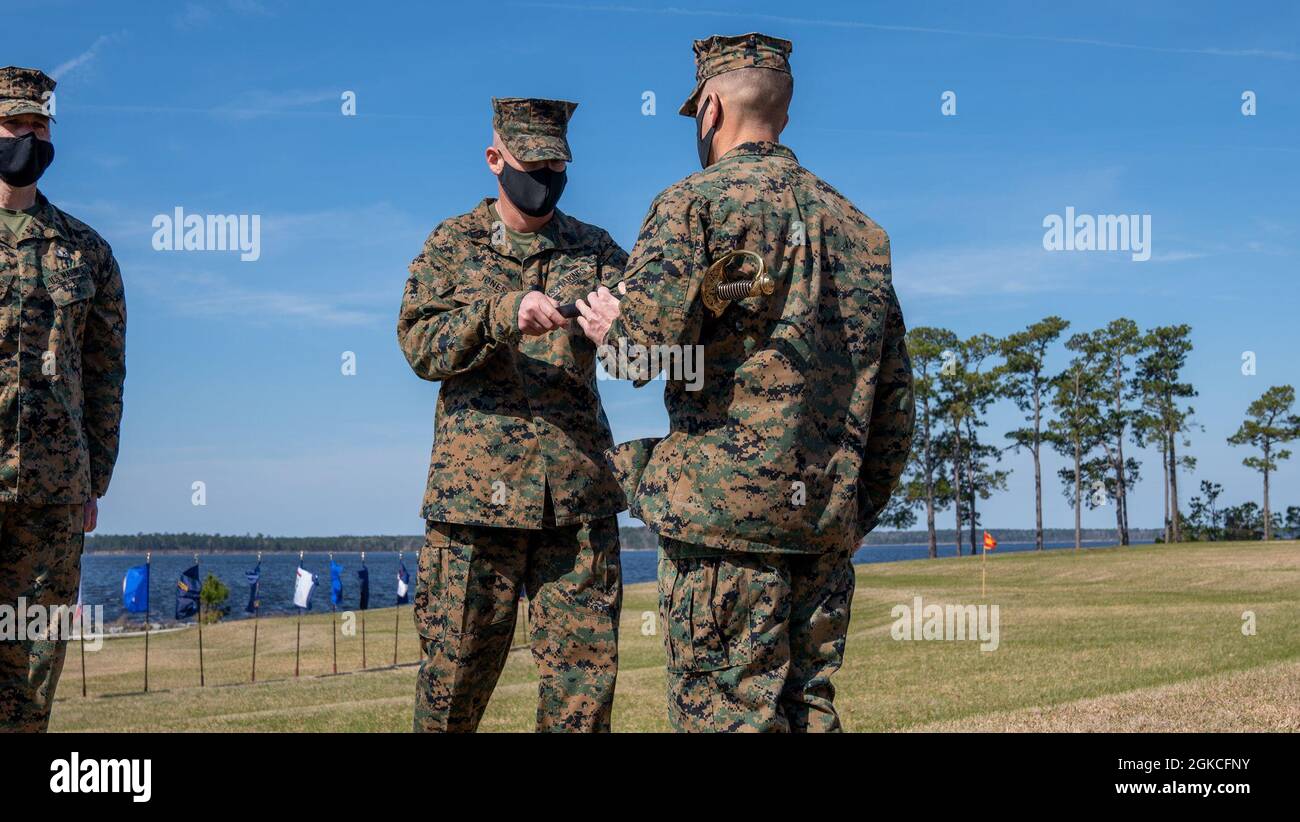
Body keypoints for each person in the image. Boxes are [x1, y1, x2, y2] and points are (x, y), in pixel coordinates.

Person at [576, 34, 915, 732]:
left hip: (723, 540)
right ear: (782, 115)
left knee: (727, 719)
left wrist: (613, 329)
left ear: (708, 109)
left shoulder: (692, 206)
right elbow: (896, 408)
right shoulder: (862, 233)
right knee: (809, 714)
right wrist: (847, 516)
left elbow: (641, 358)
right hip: (821, 529)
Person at [397, 97, 626, 732]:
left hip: (575, 504)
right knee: (452, 687)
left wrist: (623, 334)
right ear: (495, 159)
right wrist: (501, 313)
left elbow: (645, 348)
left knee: (582, 696)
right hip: (474, 511)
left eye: (558, 165)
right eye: (533, 163)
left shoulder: (596, 249)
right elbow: (420, 346)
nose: (546, 178)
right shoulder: (451, 245)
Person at [0, 66, 127, 732]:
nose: (27, 137)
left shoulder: (88, 252)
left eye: (38, 126)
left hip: (53, 496)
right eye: (13, 125)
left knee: (30, 675)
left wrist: (93, 482)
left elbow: (106, 377)